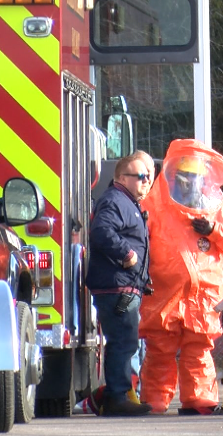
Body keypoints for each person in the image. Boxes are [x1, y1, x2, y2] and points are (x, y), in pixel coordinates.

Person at [139, 140, 223, 415]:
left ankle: (199, 400)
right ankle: (153, 400)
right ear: (174, 177)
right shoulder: (156, 204)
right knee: (160, 348)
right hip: (164, 292)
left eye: (193, 178)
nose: (188, 184)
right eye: (183, 178)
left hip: (203, 295)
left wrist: (213, 231)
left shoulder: (215, 209)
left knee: (198, 348)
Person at [86, 154, 154, 416]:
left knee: (125, 339)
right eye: (141, 176)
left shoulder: (127, 203)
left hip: (124, 286)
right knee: (124, 340)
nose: (146, 181)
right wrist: (127, 255)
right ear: (122, 178)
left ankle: (116, 395)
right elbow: (102, 232)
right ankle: (116, 397)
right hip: (117, 289)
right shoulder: (116, 201)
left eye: (148, 177)